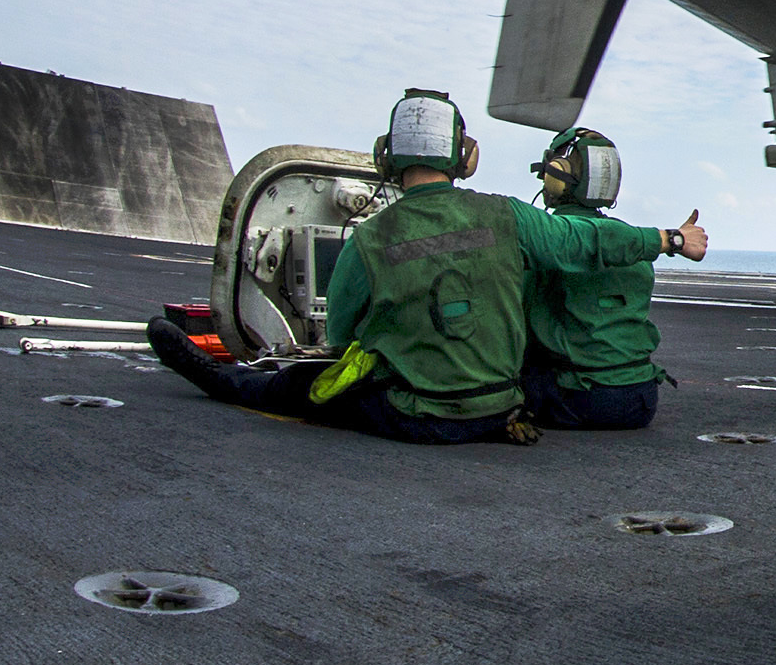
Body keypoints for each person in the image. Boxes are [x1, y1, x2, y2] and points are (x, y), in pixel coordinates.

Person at [147, 89, 708, 444]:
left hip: (418, 415)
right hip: (499, 408)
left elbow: (342, 336)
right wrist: (669, 238)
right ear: (465, 157)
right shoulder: (511, 217)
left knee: (301, 385)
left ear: (386, 157)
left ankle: (217, 378)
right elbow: (582, 246)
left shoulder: (369, 241)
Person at [520, 127, 668, 430]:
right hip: (641, 399)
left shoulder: (550, 243)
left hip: (577, 398)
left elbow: (517, 320)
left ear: (558, 175)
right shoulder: (634, 243)